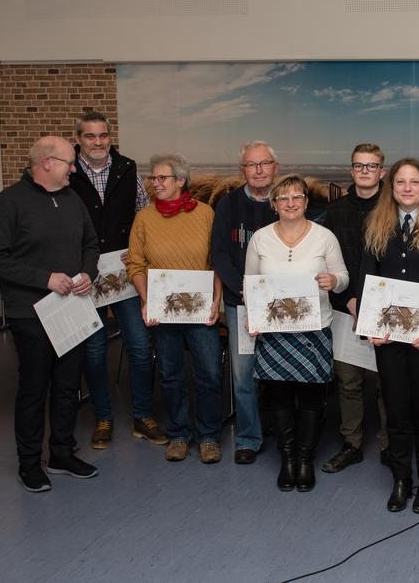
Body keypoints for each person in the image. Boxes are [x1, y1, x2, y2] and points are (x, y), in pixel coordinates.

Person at [0, 135, 100, 492]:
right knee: (34, 389)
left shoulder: (72, 199)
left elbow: (91, 244)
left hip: (73, 310)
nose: (74, 168)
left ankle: (62, 453)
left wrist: (86, 274)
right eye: (69, 162)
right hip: (30, 313)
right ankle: (29, 463)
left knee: (68, 386)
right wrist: (45, 279)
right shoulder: (9, 202)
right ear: (47, 163)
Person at [357, 158, 419, 515]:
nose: (406, 188)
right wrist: (371, 327)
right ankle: (402, 479)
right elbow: (367, 280)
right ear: (392, 186)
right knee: (397, 411)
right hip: (388, 339)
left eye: (414, 182)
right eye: (400, 182)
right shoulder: (377, 225)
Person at [244, 175, 349, 492]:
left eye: (297, 197)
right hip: (274, 331)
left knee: (311, 396)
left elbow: (343, 276)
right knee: (278, 396)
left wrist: (334, 281)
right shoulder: (260, 239)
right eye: (283, 198)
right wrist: (254, 315)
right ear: (274, 204)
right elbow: (249, 284)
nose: (290, 203)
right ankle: (287, 458)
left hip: (313, 328)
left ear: (306, 202)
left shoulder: (324, 237)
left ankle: (305, 458)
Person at [69, 111, 165, 449]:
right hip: (83, 276)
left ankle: (142, 415)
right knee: (94, 352)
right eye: (90, 136)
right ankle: (103, 418)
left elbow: (143, 214)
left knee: (140, 346)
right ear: (78, 138)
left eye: (103, 136)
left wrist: (138, 247)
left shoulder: (127, 169)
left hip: (124, 273)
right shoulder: (68, 171)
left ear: (110, 137)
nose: (98, 142)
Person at [126, 154, 223, 464]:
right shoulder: (144, 218)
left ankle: (208, 436)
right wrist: (145, 299)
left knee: (209, 374)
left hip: (200, 312)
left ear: (181, 180)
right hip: (162, 312)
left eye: (162, 178)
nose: (155, 183)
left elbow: (216, 262)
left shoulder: (206, 214)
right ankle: (179, 433)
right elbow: (136, 263)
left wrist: (215, 300)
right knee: (170, 375)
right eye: (153, 178)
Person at [322, 143, 391, 473]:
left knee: (386, 382)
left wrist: (377, 304)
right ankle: (351, 444)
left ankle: (390, 445)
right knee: (348, 382)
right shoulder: (335, 212)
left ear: (382, 171)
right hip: (345, 307)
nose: (365, 171)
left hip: (385, 311)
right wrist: (348, 299)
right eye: (359, 166)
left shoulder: (395, 208)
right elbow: (331, 263)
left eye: (372, 166)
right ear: (351, 171)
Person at [211, 141, 278, 464]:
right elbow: (220, 255)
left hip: (281, 305)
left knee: (282, 369)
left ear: (275, 168)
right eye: (252, 165)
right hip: (242, 304)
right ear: (243, 171)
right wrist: (244, 291)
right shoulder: (227, 205)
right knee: (243, 372)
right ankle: (249, 438)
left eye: (264, 163)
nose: (259, 170)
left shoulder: (286, 202)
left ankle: (285, 432)